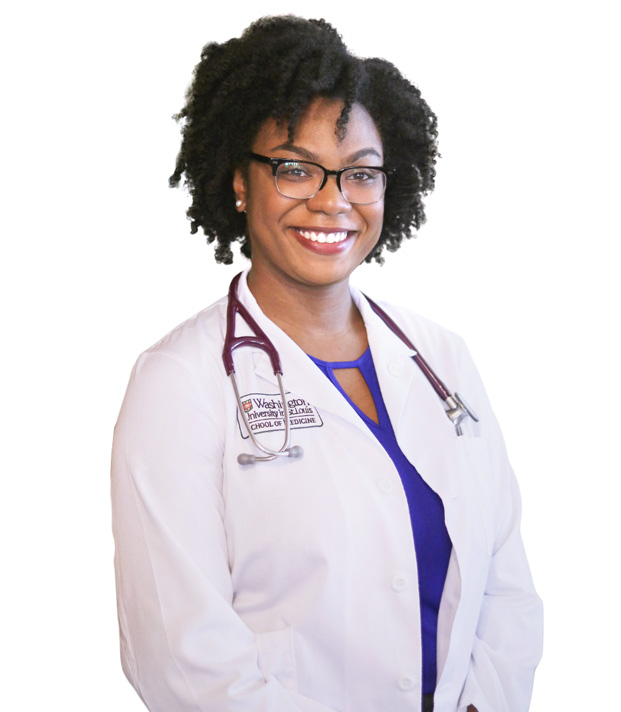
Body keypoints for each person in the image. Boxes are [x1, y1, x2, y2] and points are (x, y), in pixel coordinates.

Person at [111, 16, 543, 712]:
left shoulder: (440, 357)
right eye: (293, 167)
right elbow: (178, 652)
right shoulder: (180, 384)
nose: (331, 199)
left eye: (360, 173)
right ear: (239, 181)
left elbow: (505, 585)